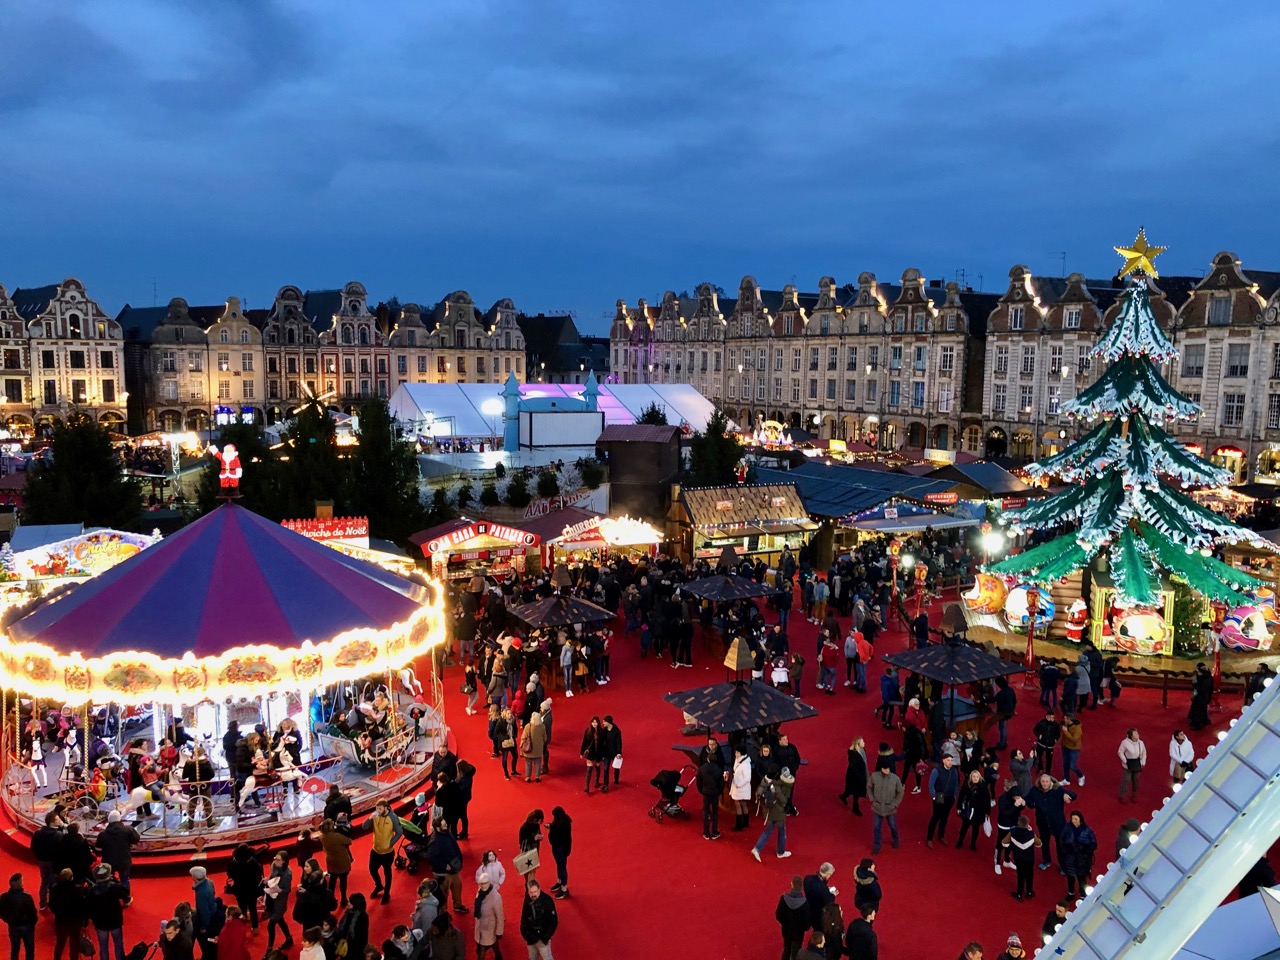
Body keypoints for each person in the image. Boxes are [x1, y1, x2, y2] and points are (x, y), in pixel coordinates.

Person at [1025, 774, 1077, 870]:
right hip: (1043, 823)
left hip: (1058, 824)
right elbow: (1028, 799)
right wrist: (1030, 803)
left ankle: (1063, 866)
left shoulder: (1059, 790)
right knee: (1044, 843)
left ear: (1051, 782)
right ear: (1040, 782)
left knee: (1060, 846)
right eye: (1043, 781)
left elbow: (1074, 795)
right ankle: (1046, 861)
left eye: (1047, 781)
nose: (1045, 784)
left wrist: (1067, 795)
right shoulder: (1034, 790)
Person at [425, 819, 468, 916]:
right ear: (437, 828)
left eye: (445, 823)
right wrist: (444, 866)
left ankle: (457, 905)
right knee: (443, 894)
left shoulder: (448, 832)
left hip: (454, 869)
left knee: (457, 887)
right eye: (443, 825)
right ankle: (443, 913)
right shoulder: (435, 841)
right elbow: (430, 857)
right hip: (443, 873)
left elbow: (455, 846)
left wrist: (459, 859)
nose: (446, 826)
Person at [87, 863, 128, 960]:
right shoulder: (114, 887)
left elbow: (88, 907)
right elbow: (125, 892)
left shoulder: (91, 891)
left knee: (103, 946)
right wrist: (115, 880)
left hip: (100, 923)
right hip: (115, 921)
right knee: (118, 944)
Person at [752, 767, 795, 861]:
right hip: (779, 812)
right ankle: (780, 851)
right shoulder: (785, 785)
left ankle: (757, 848)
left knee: (767, 831)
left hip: (772, 810)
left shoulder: (774, 784)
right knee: (782, 832)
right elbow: (783, 799)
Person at [368, 799, 403, 903]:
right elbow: (364, 827)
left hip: (387, 853)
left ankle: (386, 893)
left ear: (386, 808)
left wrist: (390, 843)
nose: (377, 810)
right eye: (376, 808)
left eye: (379, 808)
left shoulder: (393, 817)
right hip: (375, 850)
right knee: (372, 869)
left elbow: (399, 832)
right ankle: (379, 885)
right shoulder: (375, 815)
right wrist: (369, 818)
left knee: (387, 872)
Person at [225, 843, 264, 933]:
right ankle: (255, 927)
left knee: (242, 907)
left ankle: (243, 924)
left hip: (239, 889)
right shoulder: (252, 861)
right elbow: (259, 873)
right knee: (253, 908)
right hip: (251, 888)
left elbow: (229, 875)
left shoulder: (233, 863)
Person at [49, 869, 87, 960]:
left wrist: (57, 913)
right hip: (75, 921)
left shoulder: (55, 889)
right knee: (74, 943)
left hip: (60, 920)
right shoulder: (76, 890)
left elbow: (51, 905)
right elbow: (81, 906)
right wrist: (84, 920)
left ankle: (56, 958)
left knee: (60, 942)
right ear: (70, 877)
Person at [867, 762, 903, 855]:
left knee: (892, 825)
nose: (887, 770)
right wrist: (872, 799)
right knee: (876, 828)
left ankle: (896, 839)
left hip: (890, 808)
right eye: (885, 768)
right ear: (881, 768)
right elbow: (869, 788)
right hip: (877, 807)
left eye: (888, 768)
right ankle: (877, 845)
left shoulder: (895, 778)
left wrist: (895, 804)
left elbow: (900, 792)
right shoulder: (874, 776)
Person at [31, 811, 64, 911]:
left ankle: (42, 903)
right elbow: (61, 849)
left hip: (42, 861)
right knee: (54, 882)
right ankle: (55, 903)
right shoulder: (58, 835)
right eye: (58, 819)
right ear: (53, 822)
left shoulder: (38, 832)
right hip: (53, 862)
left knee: (44, 882)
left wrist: (39, 857)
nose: (60, 820)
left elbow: (33, 847)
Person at [262, 850, 294, 954]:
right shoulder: (274, 865)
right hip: (271, 897)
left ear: (284, 861)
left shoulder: (287, 874)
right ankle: (289, 938)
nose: (275, 861)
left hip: (279, 902)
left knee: (270, 925)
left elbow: (288, 889)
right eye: (275, 858)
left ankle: (269, 948)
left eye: (278, 860)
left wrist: (279, 890)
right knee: (280, 920)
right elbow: (272, 876)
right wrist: (268, 880)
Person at [1059, 811, 1097, 898]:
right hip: (1070, 856)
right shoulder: (1067, 828)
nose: (1073, 821)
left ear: (1080, 819)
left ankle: (1083, 894)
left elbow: (1093, 843)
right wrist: (1065, 850)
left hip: (1082, 858)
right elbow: (1062, 840)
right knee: (1070, 876)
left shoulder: (1087, 830)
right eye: (1072, 818)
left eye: (1075, 819)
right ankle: (1071, 893)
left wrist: (1086, 851)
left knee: (1081, 877)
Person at [1003, 815, 1041, 902]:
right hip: (1029, 858)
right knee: (1030, 874)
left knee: (1020, 875)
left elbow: (1004, 843)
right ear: (1027, 824)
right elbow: (1039, 844)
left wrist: (1012, 846)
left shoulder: (1012, 832)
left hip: (1018, 858)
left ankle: (1019, 893)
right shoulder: (1031, 834)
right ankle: (1029, 892)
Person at [993, 780, 1027, 875]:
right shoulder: (1002, 799)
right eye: (1017, 797)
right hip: (1004, 825)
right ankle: (997, 862)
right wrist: (1015, 806)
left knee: (1010, 843)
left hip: (1013, 824)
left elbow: (1018, 810)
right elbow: (1005, 813)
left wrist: (1022, 805)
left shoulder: (1016, 798)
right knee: (1001, 844)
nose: (1018, 798)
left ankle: (1007, 861)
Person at [0, 874, 36, 960]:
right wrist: (32, 923)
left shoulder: (4, 897)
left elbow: (1, 912)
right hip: (27, 927)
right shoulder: (26, 897)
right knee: (29, 949)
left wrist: (7, 920)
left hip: (13, 926)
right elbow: (32, 913)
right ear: (20, 883)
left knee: (15, 949)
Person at [926, 755, 959, 848]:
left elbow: (956, 783)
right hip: (939, 798)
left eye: (951, 760)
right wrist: (934, 796)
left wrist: (954, 795)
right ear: (943, 760)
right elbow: (931, 784)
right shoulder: (936, 770)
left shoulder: (954, 771)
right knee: (935, 817)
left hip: (949, 799)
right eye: (948, 760)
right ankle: (929, 838)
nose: (950, 762)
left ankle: (941, 835)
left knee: (945, 818)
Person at [519, 880, 558, 960]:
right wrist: (526, 936)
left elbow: (553, 921)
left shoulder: (547, 901)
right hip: (531, 938)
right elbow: (524, 918)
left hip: (543, 938)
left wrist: (545, 938)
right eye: (531, 892)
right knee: (532, 958)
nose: (533, 894)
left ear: (539, 889)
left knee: (547, 958)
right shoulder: (527, 899)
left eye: (535, 892)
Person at [955, 768, 991, 851]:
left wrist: (987, 811)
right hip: (968, 809)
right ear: (971, 777)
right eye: (974, 776)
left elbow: (987, 799)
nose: (975, 778)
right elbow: (961, 796)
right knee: (964, 826)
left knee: (976, 828)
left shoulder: (983, 786)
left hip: (978, 811)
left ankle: (973, 844)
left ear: (979, 777)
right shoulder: (966, 784)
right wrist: (959, 807)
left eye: (977, 777)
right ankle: (960, 841)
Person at [319, 818, 353, 906]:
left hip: (331, 862)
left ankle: (331, 898)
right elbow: (349, 841)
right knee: (343, 881)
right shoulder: (337, 836)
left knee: (332, 881)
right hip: (342, 861)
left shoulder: (323, 837)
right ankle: (343, 899)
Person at [189, 865, 220, 960]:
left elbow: (205, 912)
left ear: (194, 877)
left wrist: (203, 927)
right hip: (214, 911)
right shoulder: (209, 881)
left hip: (208, 920)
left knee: (207, 944)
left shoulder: (201, 893)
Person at [473, 872, 504, 960]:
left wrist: (499, 932)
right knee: (493, 943)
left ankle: (498, 955)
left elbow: (500, 916)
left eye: (483, 883)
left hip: (489, 928)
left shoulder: (496, 897)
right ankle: (498, 956)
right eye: (480, 883)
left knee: (481, 952)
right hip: (480, 926)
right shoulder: (480, 891)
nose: (481, 885)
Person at [777, 876, 809, 960]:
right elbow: (806, 923)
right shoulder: (805, 903)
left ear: (792, 885)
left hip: (786, 930)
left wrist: (784, 923)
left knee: (786, 949)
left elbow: (778, 915)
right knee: (795, 953)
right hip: (798, 934)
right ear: (801, 888)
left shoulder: (784, 899)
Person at [696, 750, 725, 841]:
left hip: (706, 793)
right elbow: (721, 784)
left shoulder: (702, 769)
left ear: (708, 759)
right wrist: (719, 792)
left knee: (706, 812)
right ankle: (715, 831)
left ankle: (706, 832)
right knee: (715, 813)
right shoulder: (719, 770)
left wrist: (702, 791)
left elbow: (699, 782)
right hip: (715, 793)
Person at [547, 807, 572, 900]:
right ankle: (560, 881)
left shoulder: (563, 824)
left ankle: (564, 888)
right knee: (559, 865)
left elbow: (558, 835)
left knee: (562, 867)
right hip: (558, 847)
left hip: (561, 848)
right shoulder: (561, 821)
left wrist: (551, 828)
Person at [802, 864, 836, 932]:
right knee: (819, 930)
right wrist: (832, 894)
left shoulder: (807, 878)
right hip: (819, 914)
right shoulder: (823, 889)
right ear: (828, 874)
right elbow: (829, 902)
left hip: (808, 909)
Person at [839, 737, 868, 816]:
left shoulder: (860, 752)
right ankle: (855, 807)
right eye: (862, 742)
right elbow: (853, 768)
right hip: (855, 777)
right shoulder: (856, 755)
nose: (864, 743)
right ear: (858, 744)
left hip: (855, 776)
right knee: (856, 792)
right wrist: (860, 777)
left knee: (851, 790)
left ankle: (844, 796)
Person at [1117, 728, 1147, 803]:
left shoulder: (1141, 743)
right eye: (1135, 733)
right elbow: (1120, 752)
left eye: (1137, 732)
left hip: (1137, 764)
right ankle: (1122, 796)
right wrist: (1125, 761)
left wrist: (1143, 763)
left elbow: (1144, 753)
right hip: (1128, 765)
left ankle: (1134, 795)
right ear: (1131, 736)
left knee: (1135, 781)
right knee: (1126, 780)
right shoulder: (1125, 743)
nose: (1137, 734)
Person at [336, 893, 369, 960]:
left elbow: (361, 936)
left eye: (350, 902)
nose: (348, 903)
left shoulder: (362, 917)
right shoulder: (348, 912)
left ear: (355, 904)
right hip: (345, 945)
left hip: (355, 949)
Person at [730, 744, 754, 831]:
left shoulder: (746, 764)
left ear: (741, 753)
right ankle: (745, 822)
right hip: (738, 787)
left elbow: (748, 778)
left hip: (741, 788)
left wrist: (739, 785)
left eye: (737, 752)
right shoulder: (738, 760)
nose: (735, 754)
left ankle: (739, 825)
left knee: (738, 804)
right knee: (743, 803)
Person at [521, 712, 548, 784]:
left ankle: (528, 777)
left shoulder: (528, 726)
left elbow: (523, 737)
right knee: (538, 763)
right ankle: (537, 777)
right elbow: (545, 738)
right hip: (538, 749)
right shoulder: (542, 726)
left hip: (529, 749)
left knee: (528, 763)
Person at [1032, 711, 1061, 777]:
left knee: (1049, 759)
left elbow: (1058, 734)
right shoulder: (1042, 723)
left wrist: (1055, 739)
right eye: (1050, 717)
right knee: (1039, 756)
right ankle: (1040, 768)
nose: (1051, 719)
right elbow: (1035, 730)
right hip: (1041, 744)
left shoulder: (1056, 725)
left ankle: (1048, 771)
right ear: (1046, 716)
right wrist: (1039, 735)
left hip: (1050, 746)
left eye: (1053, 717)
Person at [1059, 716, 1084, 787]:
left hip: (1074, 748)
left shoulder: (1077, 728)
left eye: (1065, 718)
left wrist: (1066, 732)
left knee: (1072, 765)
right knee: (1065, 763)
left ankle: (1081, 776)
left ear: (1069, 719)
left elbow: (1075, 739)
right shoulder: (1065, 724)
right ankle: (1066, 779)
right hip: (1065, 747)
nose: (1064, 720)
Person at [1189, 662, 1214, 731]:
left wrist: (1193, 695)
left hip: (1201, 697)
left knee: (1199, 710)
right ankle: (1202, 721)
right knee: (1200, 709)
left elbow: (1198, 688)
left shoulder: (1204, 679)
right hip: (1204, 696)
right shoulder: (1207, 676)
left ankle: (1197, 724)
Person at [602, 716, 623, 787]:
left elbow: (619, 743)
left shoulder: (617, 731)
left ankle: (616, 779)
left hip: (614, 753)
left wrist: (619, 753)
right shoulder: (604, 731)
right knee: (605, 768)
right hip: (606, 753)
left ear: (608, 722)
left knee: (616, 768)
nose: (603, 723)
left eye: (604, 722)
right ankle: (605, 785)